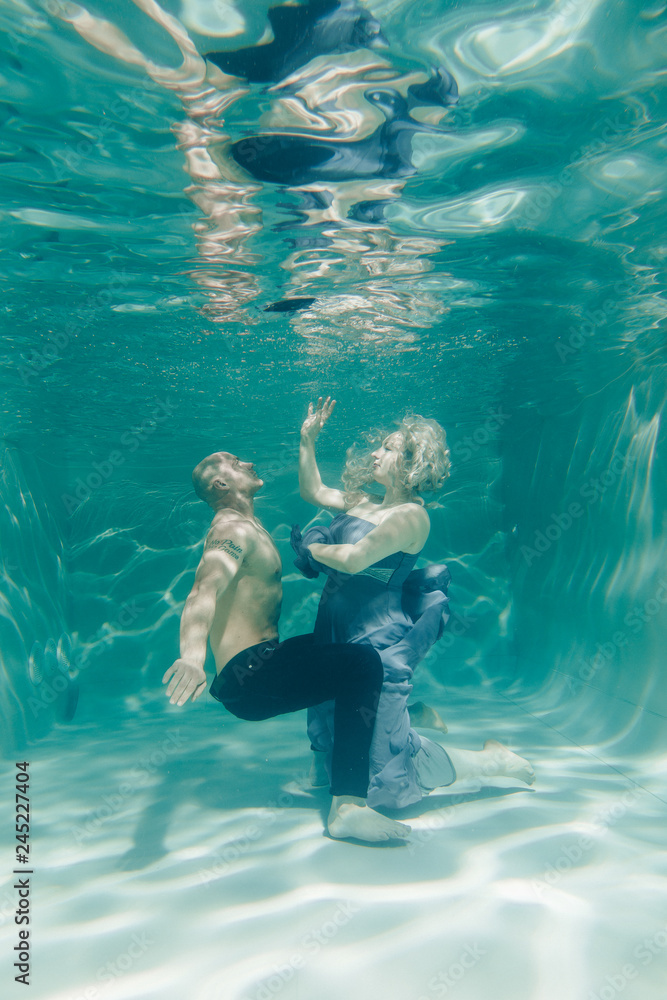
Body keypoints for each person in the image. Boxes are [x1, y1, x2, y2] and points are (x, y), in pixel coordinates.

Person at [292, 398, 535, 808]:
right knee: (336, 707)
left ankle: (493, 761)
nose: (375, 453)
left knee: (384, 754)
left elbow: (353, 559)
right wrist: (307, 440)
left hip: (374, 631)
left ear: (410, 462)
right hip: (334, 624)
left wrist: (311, 549)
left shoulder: (410, 517)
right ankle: (413, 717)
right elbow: (312, 490)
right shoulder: (364, 503)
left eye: (387, 448)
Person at [162, 450, 413, 843]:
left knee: (341, 641)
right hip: (250, 680)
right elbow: (203, 590)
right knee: (361, 665)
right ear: (221, 484)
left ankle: (365, 732)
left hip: (260, 665)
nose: (247, 461)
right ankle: (347, 806)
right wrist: (192, 658)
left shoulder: (247, 524)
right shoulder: (232, 531)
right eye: (234, 461)